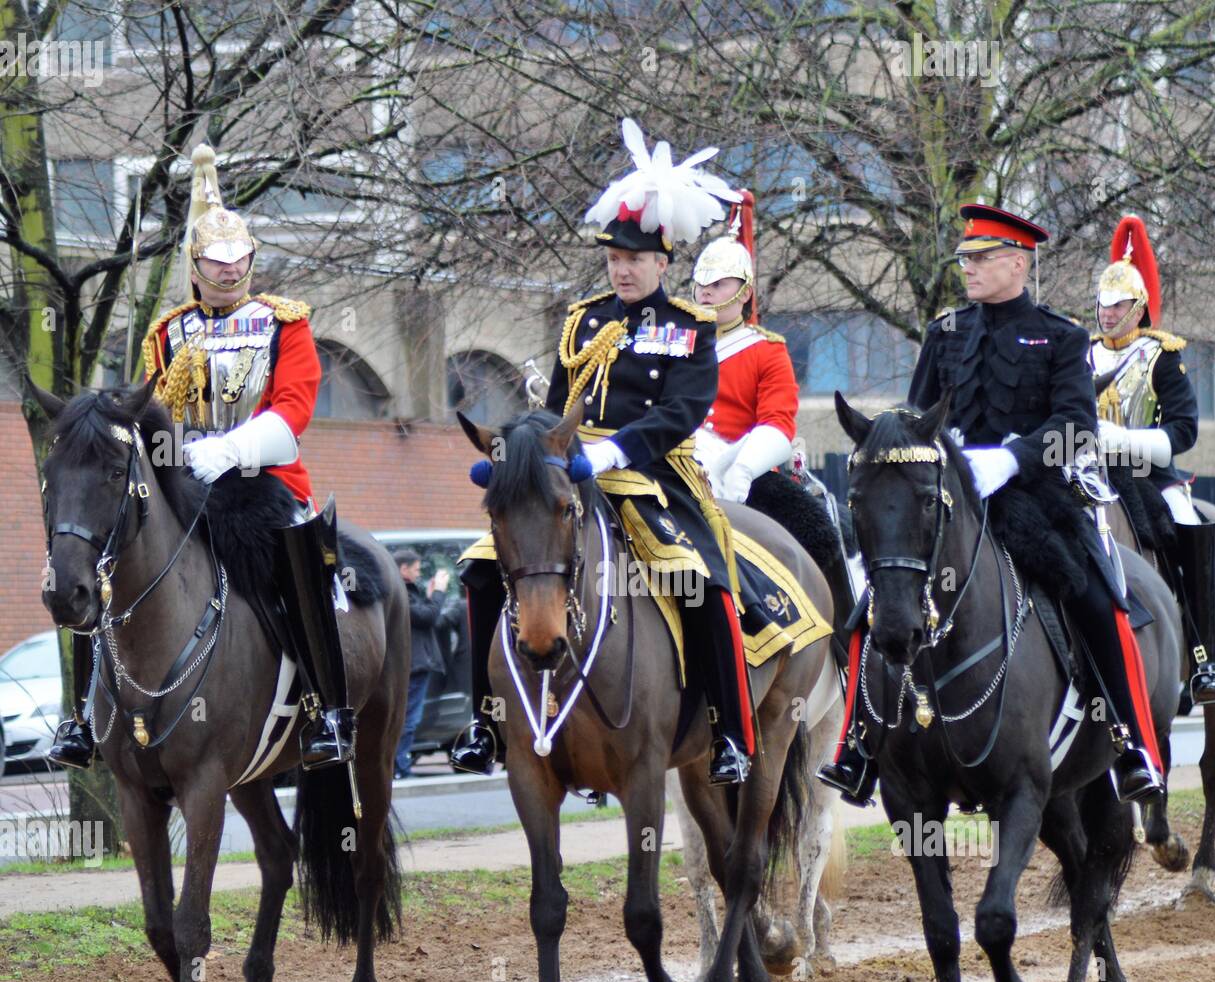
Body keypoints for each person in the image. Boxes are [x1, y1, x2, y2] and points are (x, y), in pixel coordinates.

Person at [819, 203, 1165, 807]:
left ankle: (1131, 740)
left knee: (1097, 596)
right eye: (965, 259)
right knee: (873, 603)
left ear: (1018, 263)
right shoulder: (946, 332)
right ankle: (858, 746)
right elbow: (917, 417)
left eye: (981, 258)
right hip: (949, 503)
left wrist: (1011, 460)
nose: (969, 269)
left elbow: (1077, 427)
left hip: (1034, 499)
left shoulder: (1060, 336)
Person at [451, 117, 753, 785]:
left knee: (701, 578)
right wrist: (514, 455)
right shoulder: (584, 319)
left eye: (634, 260)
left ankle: (730, 731)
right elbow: (556, 409)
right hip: (568, 471)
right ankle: (483, 722)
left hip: (653, 474)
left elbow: (682, 412)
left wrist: (614, 453)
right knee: (480, 568)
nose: (622, 269)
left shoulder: (689, 327)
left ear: (662, 264)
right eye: (614, 259)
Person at [48, 144, 354, 771]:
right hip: (182, 480)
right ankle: (81, 718)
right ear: (195, 265)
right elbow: (150, 409)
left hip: (262, 480)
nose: (228, 271)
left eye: (237, 260)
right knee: (102, 557)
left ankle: (327, 709)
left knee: (298, 561)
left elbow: (292, 414)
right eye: (216, 261)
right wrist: (165, 453)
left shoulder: (285, 324)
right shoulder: (168, 332)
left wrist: (230, 449)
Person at [1089, 215, 1215, 704]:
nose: (1108, 313)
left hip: (1150, 476)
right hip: (1090, 472)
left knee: (1186, 521)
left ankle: (1204, 657)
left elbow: (1184, 430)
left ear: (1138, 306)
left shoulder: (1162, 355)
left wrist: (1123, 441)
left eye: (1118, 304)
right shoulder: (1080, 354)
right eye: (1103, 303)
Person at [689, 192, 799, 502]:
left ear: (745, 292)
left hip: (743, 474)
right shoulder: (678, 343)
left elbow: (778, 424)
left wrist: (744, 467)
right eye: (702, 284)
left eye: (718, 284)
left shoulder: (767, 351)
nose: (706, 292)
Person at [394, 549, 450, 779]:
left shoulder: (405, 592)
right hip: (413, 666)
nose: (419, 573)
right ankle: (400, 768)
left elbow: (423, 616)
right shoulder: (399, 592)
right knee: (408, 719)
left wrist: (429, 597)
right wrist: (439, 592)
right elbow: (427, 617)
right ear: (403, 569)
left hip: (414, 664)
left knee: (406, 718)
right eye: (416, 569)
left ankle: (399, 766)